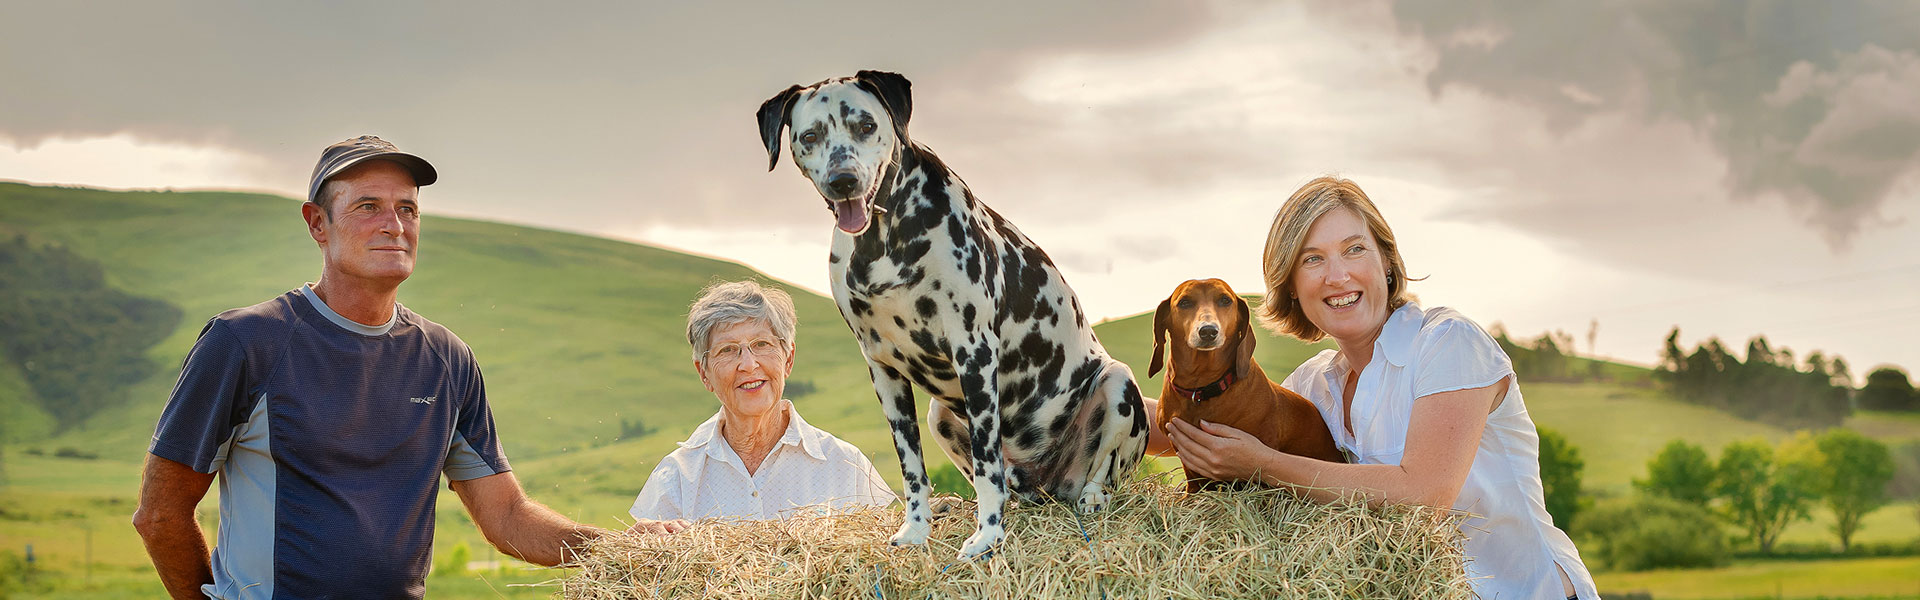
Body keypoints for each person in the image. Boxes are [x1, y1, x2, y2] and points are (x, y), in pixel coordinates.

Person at [131, 136, 683, 600]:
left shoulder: (446, 359)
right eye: (368, 206)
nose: (394, 224)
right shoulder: (247, 342)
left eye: (408, 209)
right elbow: (160, 515)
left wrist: (616, 548)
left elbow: (508, 517)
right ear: (317, 224)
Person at [1150, 177, 1598, 599]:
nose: (1337, 275)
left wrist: (1264, 464)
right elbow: (1208, 427)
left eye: (1354, 249)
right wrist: (1101, 400)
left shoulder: (1448, 343)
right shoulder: (1313, 383)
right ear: (1291, 285)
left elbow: (1424, 494)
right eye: (1312, 259)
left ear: (1386, 261)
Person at [630, 280, 895, 522]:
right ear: (704, 373)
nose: (748, 364)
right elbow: (642, 568)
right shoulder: (676, 478)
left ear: (788, 359)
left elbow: (882, 563)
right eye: (728, 350)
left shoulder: (845, 466)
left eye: (761, 344)